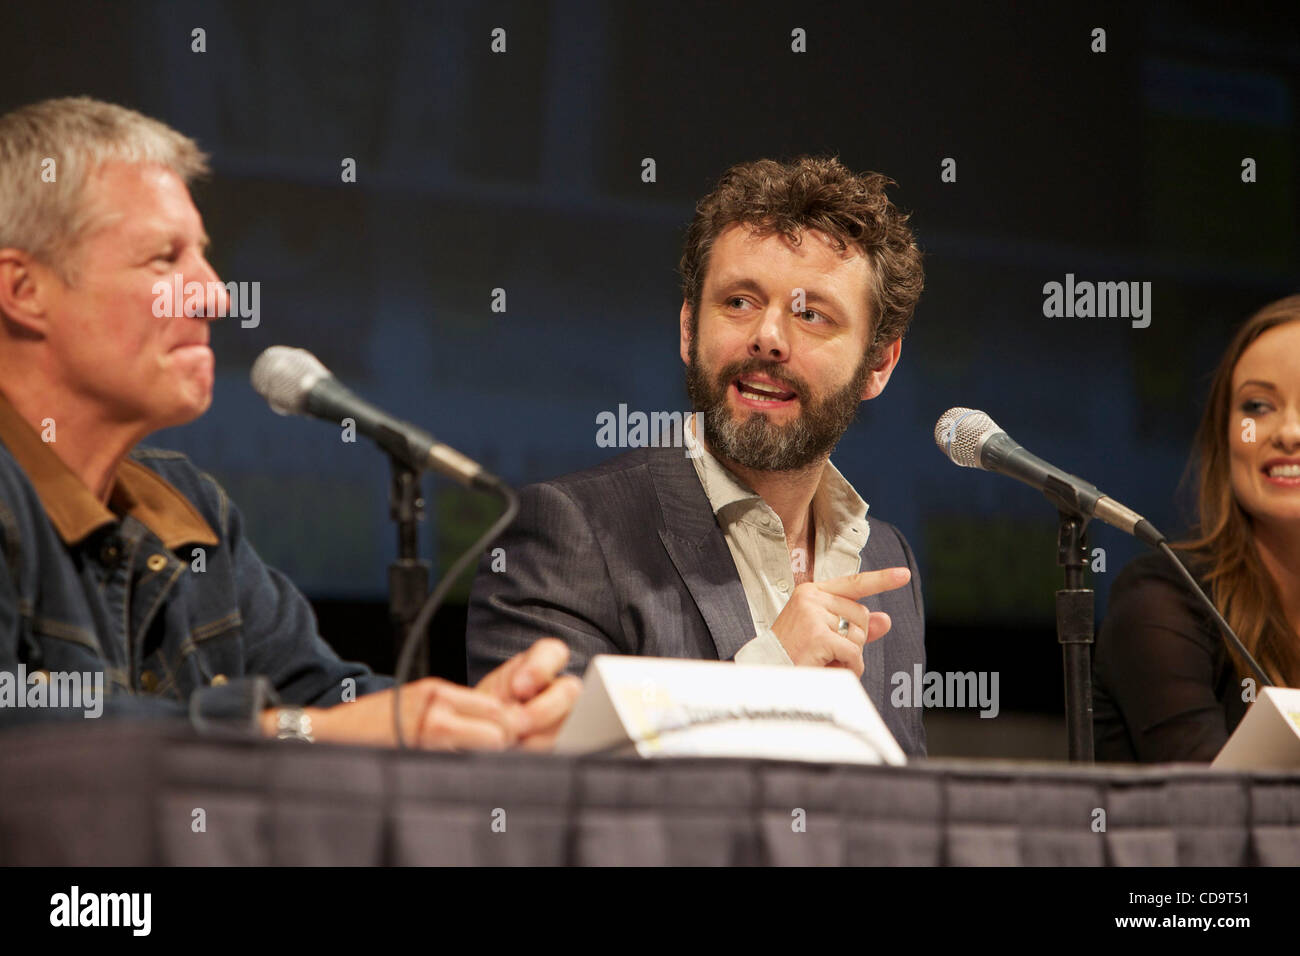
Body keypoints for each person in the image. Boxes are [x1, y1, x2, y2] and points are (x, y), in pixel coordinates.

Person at [0, 96, 579, 750]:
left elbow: (326, 696)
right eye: (164, 259)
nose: (216, 295)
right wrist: (292, 730)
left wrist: (479, 715)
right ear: (24, 291)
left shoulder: (191, 510)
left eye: (203, 256)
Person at [467, 156, 928, 754]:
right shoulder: (567, 534)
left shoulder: (889, 562)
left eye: (811, 314)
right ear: (689, 329)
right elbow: (551, 799)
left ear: (879, 364)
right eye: (738, 302)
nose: (767, 336)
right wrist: (772, 674)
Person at [1094, 295, 1300, 762]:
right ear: (1224, 436)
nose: (1288, 432)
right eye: (1258, 406)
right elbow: (1214, 815)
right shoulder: (1162, 601)